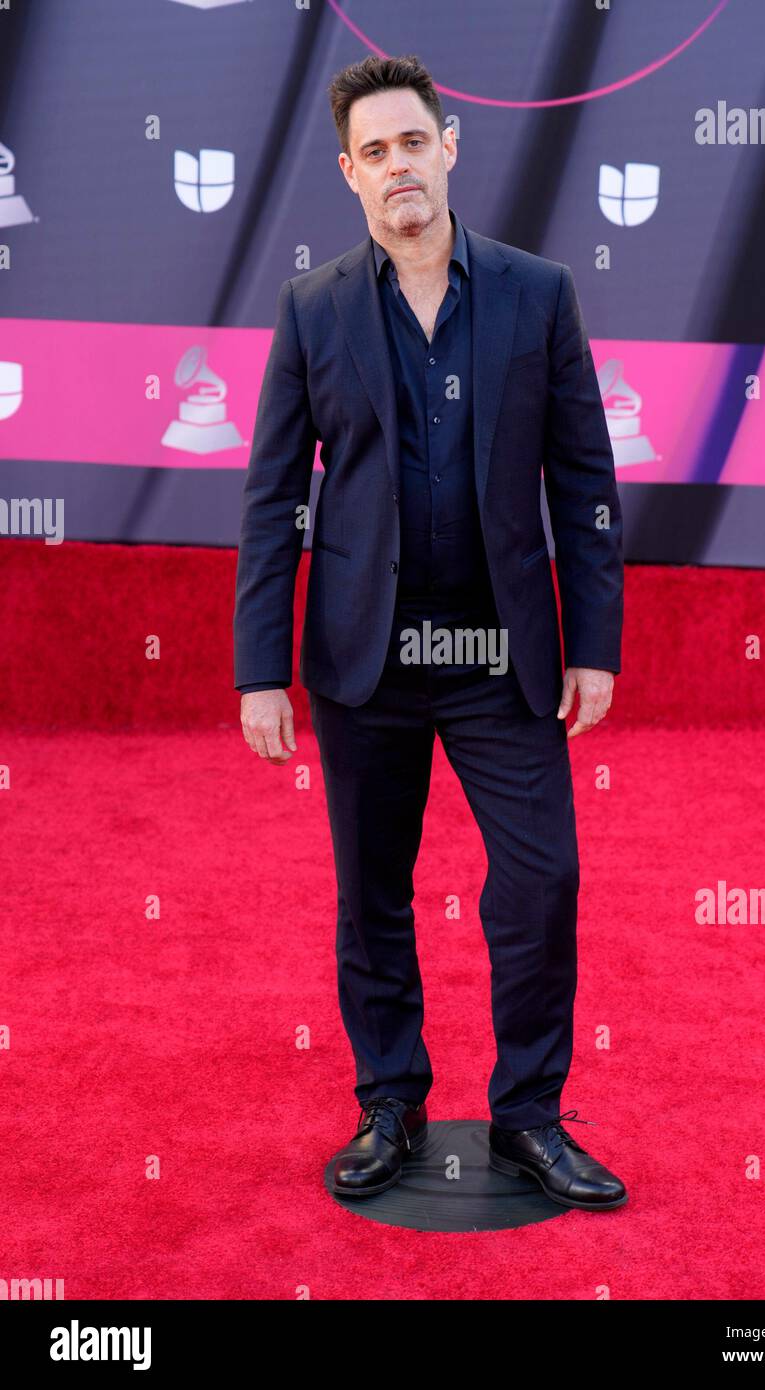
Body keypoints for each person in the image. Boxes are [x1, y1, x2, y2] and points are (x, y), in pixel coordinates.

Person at [233, 54, 626, 1212]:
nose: (398, 166)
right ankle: (390, 1104)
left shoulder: (537, 293)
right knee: (374, 892)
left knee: (541, 879)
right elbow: (271, 498)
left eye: (415, 143)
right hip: (365, 660)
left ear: (450, 148)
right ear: (348, 173)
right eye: (376, 152)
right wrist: (262, 670)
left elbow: (584, 476)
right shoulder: (312, 311)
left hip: (499, 656)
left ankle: (529, 1117)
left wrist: (591, 641)